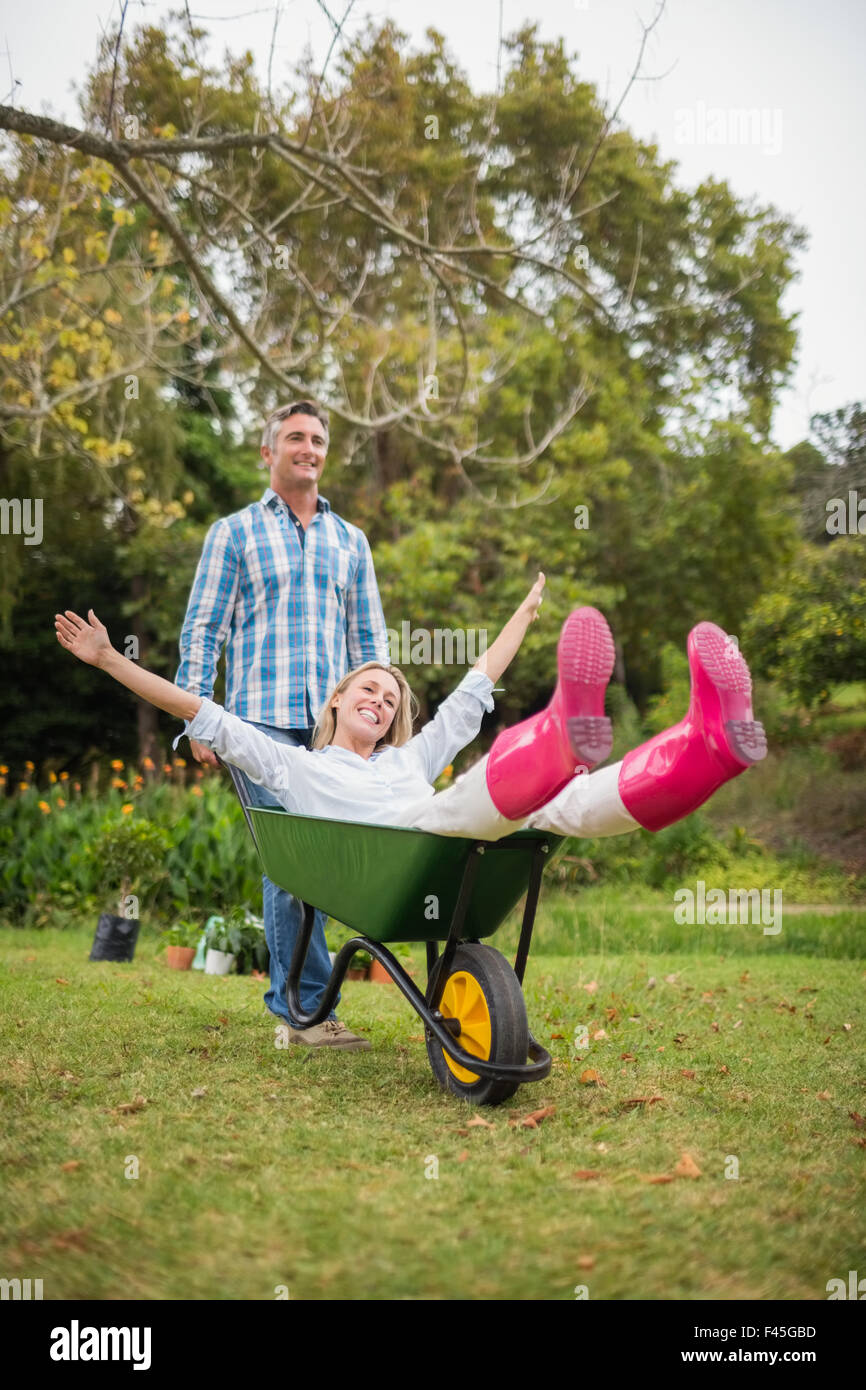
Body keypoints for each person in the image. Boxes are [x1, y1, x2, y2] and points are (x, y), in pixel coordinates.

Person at [55, 573, 768, 949]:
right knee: (467, 801)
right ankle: (560, 732)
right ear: (335, 702)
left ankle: (708, 749)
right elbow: (196, 710)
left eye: (393, 698)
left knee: (563, 806)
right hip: (401, 856)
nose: (384, 701)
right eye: (369, 689)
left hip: (449, 841)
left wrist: (522, 617)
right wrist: (110, 658)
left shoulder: (408, 760)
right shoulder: (295, 766)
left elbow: (471, 693)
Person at [174, 401, 389, 1052]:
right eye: (295, 437)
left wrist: (375, 724)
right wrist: (198, 718)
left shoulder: (351, 541)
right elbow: (203, 630)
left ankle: (302, 1007)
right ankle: (302, 1012)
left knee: (319, 861)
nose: (309, 447)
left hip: (329, 731)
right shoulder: (232, 534)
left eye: (318, 439)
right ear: (268, 453)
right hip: (256, 726)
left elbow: (370, 645)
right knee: (289, 863)